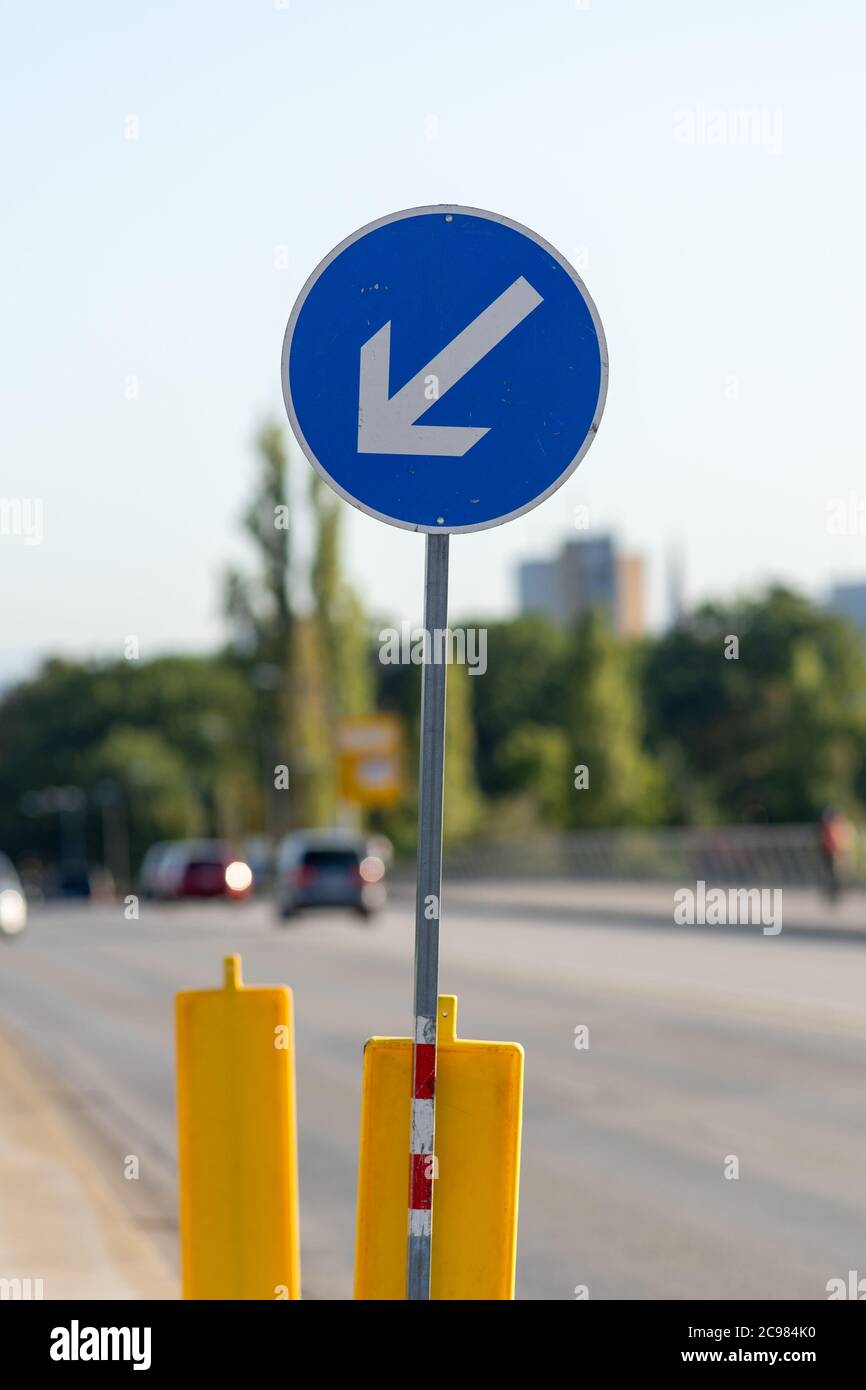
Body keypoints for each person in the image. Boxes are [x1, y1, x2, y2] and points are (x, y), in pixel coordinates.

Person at [819, 808, 853, 901]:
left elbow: (843, 839)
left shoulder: (836, 826)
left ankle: (836, 893)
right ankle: (833, 894)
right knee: (833, 875)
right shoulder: (829, 827)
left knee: (837, 875)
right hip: (831, 853)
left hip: (837, 853)